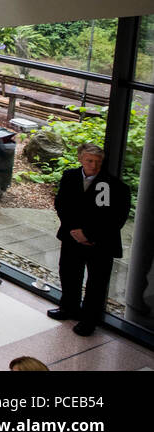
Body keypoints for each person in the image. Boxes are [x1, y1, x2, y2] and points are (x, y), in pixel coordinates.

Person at [50, 143, 131, 336]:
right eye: (89, 161)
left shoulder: (116, 187)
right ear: (80, 159)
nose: (94, 166)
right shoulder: (70, 177)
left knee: (96, 283)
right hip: (72, 238)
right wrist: (74, 231)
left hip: (100, 243)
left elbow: (115, 218)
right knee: (69, 274)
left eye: (97, 162)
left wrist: (88, 235)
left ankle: (89, 320)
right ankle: (68, 308)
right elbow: (61, 205)